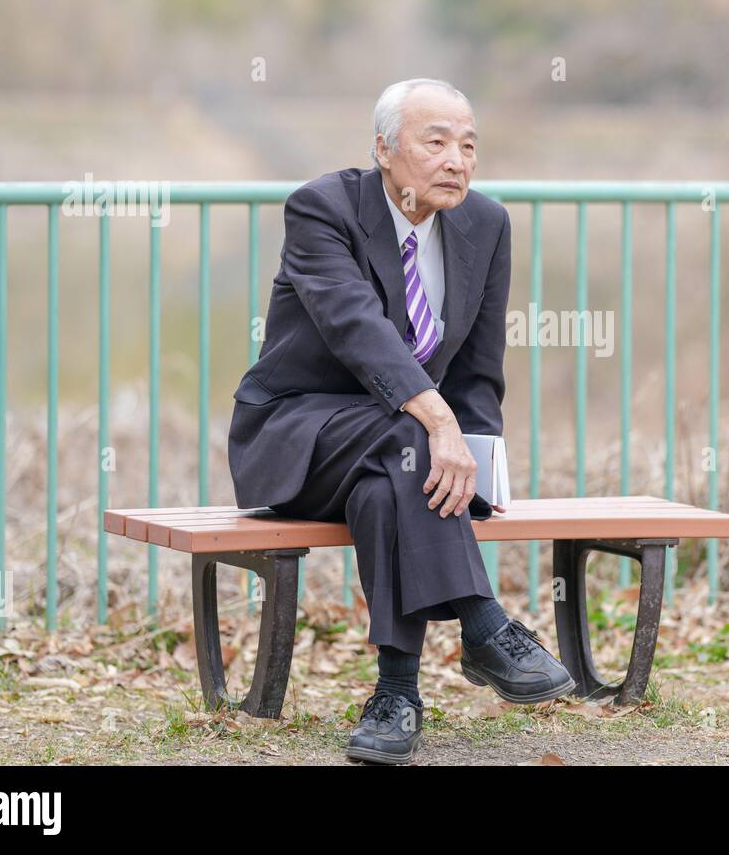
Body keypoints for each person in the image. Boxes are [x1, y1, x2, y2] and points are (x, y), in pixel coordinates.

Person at [227, 78, 574, 764]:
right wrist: (438, 422)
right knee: (411, 437)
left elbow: (477, 368)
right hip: (299, 436)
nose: (457, 160)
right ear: (384, 150)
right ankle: (483, 624)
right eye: (436, 142)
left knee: (392, 483)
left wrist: (477, 461)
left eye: (469, 145)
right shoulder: (324, 208)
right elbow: (358, 328)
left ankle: (396, 696)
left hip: (397, 453)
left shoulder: (485, 224)